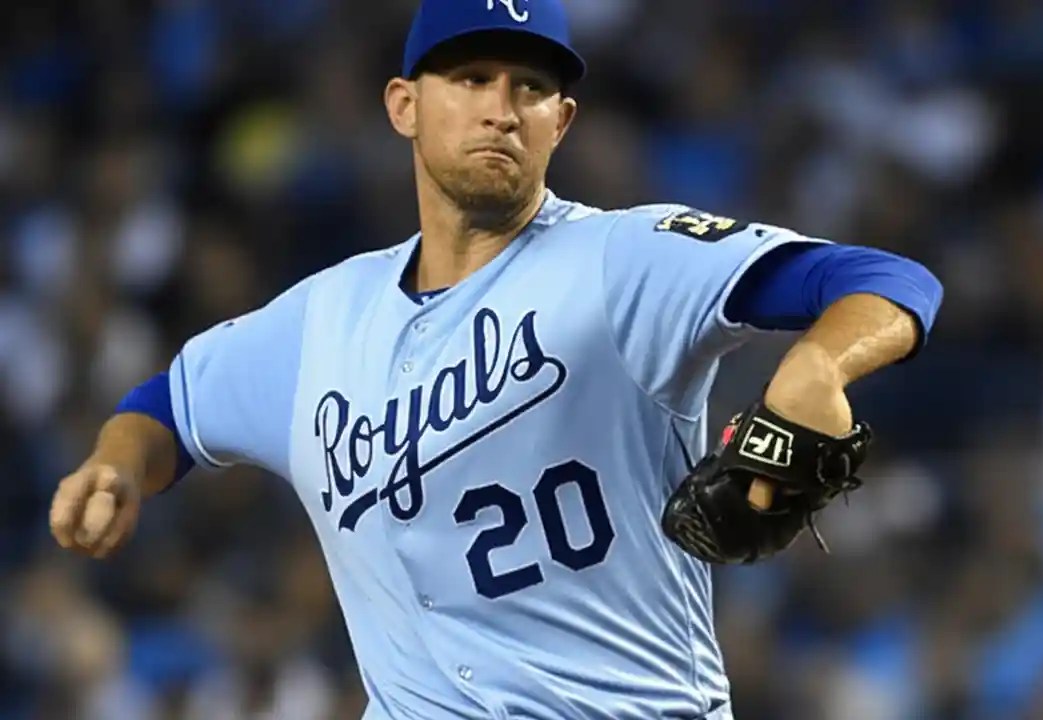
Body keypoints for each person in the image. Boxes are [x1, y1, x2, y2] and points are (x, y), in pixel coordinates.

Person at [48, 1, 943, 718]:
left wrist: (817, 367)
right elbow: (171, 403)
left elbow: (883, 280)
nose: (500, 108)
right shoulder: (321, 320)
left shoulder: (622, 260)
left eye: (529, 86)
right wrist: (119, 465)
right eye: (471, 76)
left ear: (563, 118)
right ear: (405, 104)